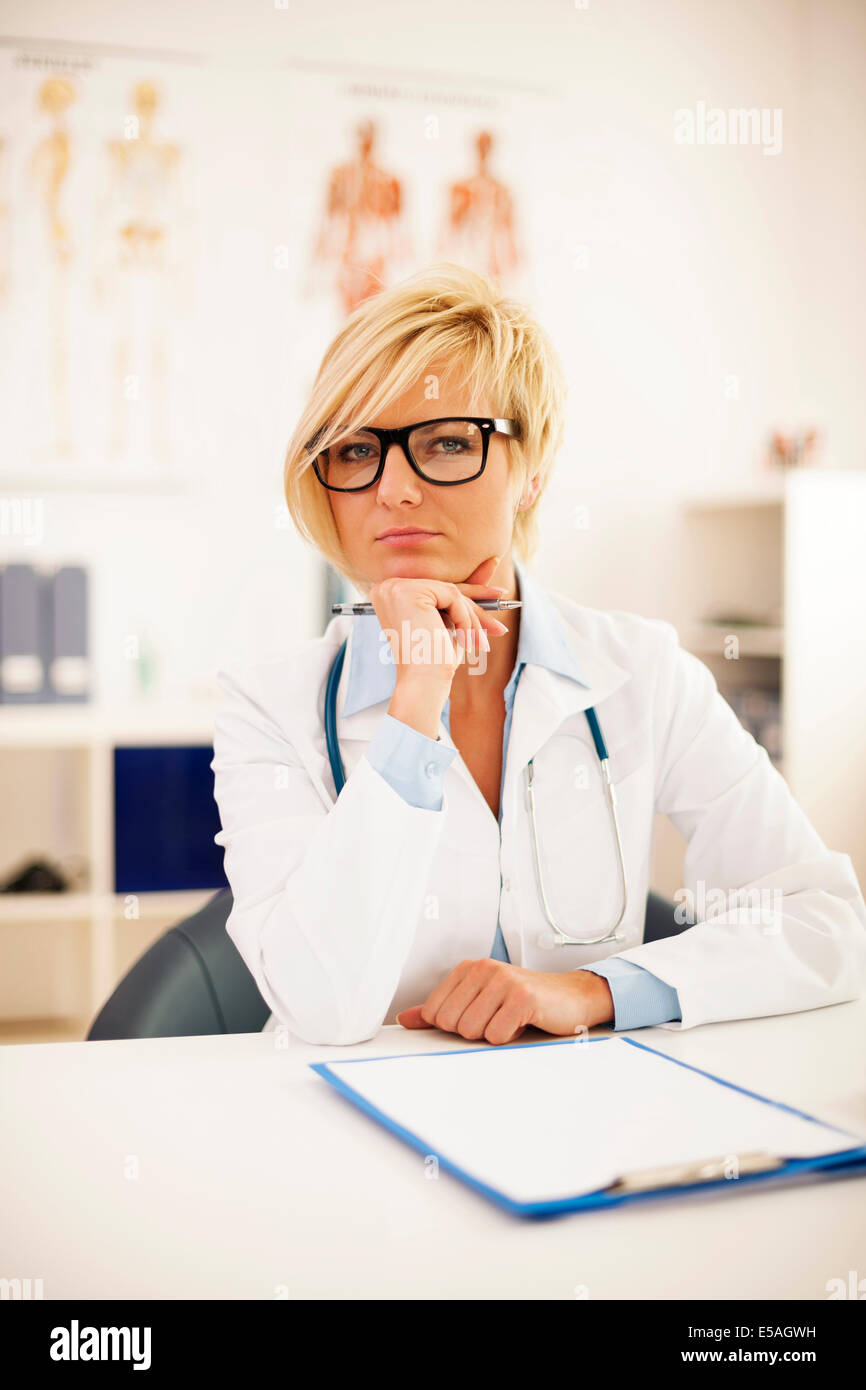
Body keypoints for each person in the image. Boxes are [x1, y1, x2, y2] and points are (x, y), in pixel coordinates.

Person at [210, 263, 866, 1047]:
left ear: (531, 470)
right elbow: (322, 1007)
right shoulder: (266, 710)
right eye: (354, 452)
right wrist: (415, 700)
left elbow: (823, 921)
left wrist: (596, 992)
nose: (393, 489)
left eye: (447, 442)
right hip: (354, 1126)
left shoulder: (644, 673)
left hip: (587, 1123)